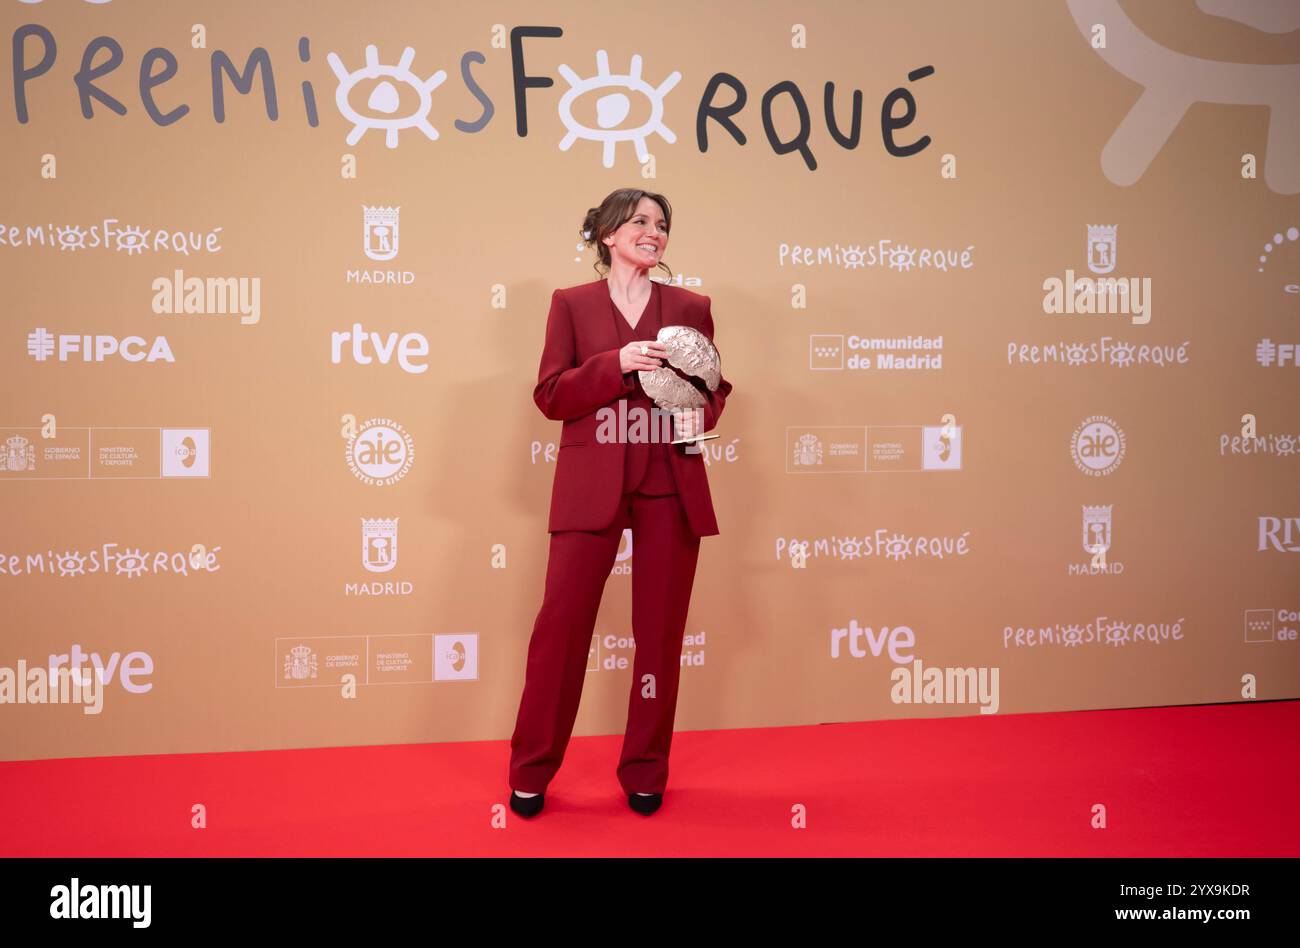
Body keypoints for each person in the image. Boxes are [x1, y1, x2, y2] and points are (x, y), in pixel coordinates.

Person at [507, 188, 732, 818]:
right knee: (560, 629)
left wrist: (696, 408)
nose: (653, 231)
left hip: (670, 481)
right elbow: (551, 394)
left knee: (660, 637)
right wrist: (617, 363)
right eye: (639, 221)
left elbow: (714, 388)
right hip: (591, 485)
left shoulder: (692, 306)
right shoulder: (571, 305)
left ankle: (644, 770)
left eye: (661, 224)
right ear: (608, 234)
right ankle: (531, 770)